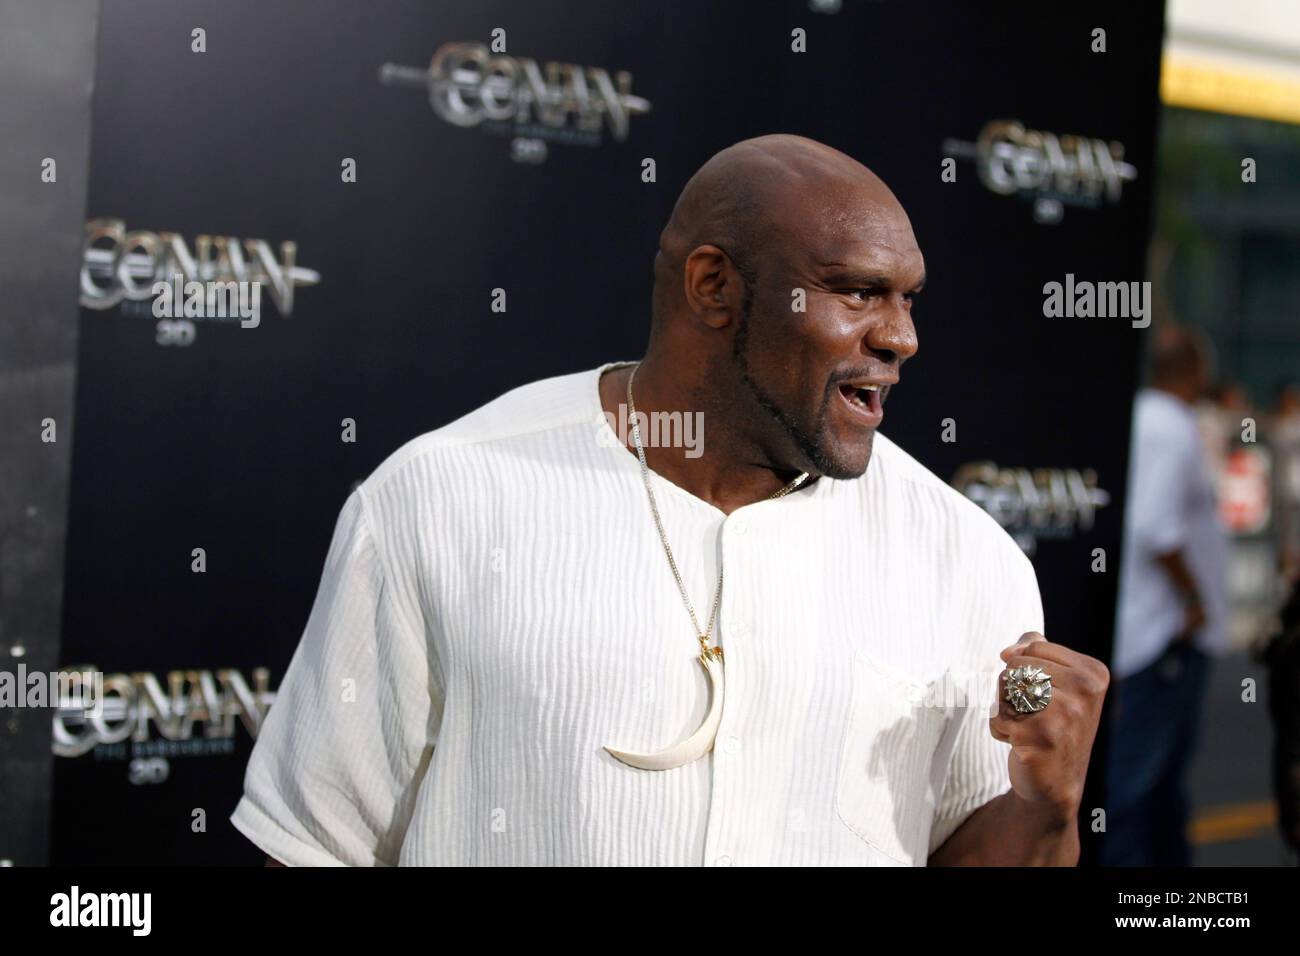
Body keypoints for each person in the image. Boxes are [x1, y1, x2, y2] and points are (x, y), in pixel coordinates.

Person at [230, 133, 1109, 866]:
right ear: (714, 287)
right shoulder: (444, 498)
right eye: (857, 292)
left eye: (908, 299)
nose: (901, 338)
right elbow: (309, 847)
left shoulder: (968, 559)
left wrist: (1047, 810)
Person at [1103, 325, 1229, 866]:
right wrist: (1195, 600)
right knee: (1138, 787)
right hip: (1164, 636)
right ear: (1194, 369)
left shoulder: (1138, 416)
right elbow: (1155, 528)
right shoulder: (1174, 426)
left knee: (1159, 789)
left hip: (1146, 628)